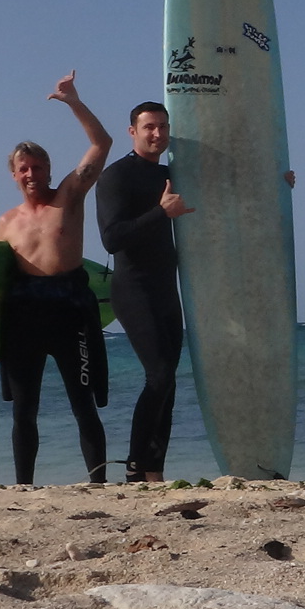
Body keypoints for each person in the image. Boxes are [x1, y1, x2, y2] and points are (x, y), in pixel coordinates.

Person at [0, 71, 114, 484]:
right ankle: (23, 487)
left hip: (70, 311)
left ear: (49, 170)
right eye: (24, 168)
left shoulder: (68, 197)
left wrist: (73, 102)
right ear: (14, 174)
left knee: (83, 404)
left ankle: (98, 483)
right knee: (24, 409)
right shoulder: (6, 223)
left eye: (38, 167)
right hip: (24, 316)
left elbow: (102, 144)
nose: (31, 174)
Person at [94, 101, 193, 483]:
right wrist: (160, 213)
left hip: (166, 291)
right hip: (133, 290)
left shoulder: (169, 175)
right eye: (150, 127)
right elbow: (111, 238)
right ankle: (135, 468)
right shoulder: (116, 176)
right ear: (132, 131)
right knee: (159, 376)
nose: (158, 134)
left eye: (163, 127)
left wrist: (281, 179)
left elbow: (223, 185)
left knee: (168, 382)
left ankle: (155, 470)